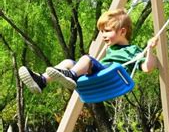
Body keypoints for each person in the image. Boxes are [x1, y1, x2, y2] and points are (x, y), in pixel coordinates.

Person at [19, 8, 158, 93]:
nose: (103, 35)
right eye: (101, 31)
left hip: (111, 76)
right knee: (68, 61)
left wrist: (150, 49)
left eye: (107, 31)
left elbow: (147, 68)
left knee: (87, 58)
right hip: (99, 73)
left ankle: (71, 75)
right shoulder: (111, 47)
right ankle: (42, 81)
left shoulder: (133, 50)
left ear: (122, 31)